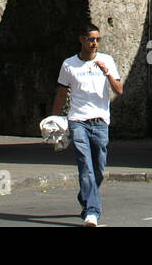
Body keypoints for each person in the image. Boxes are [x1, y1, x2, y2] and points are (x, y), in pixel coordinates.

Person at [50, 22, 123, 227]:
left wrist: (107, 72)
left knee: (98, 167)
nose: (95, 43)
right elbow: (62, 91)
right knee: (85, 166)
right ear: (81, 39)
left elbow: (119, 90)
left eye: (98, 40)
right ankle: (92, 211)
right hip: (78, 121)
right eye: (91, 39)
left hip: (100, 121)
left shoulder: (106, 60)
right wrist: (54, 118)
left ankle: (86, 196)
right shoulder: (69, 64)